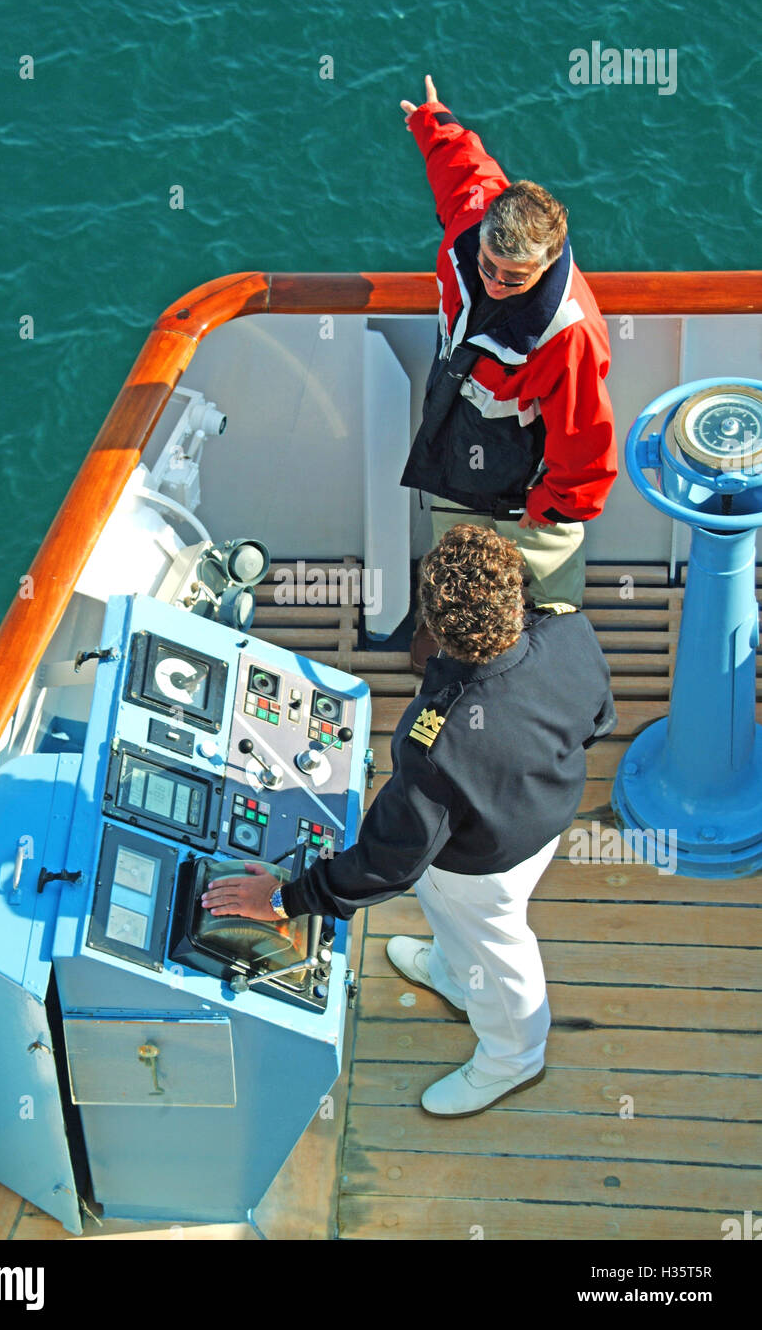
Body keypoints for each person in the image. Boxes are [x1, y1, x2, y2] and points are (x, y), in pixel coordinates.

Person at [202, 525, 617, 1117]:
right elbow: (598, 720)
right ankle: (454, 973)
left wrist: (285, 900)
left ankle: (513, 1059)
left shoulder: (437, 742)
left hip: (482, 866)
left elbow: (391, 862)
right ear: (516, 592)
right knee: (458, 925)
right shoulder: (570, 630)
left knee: (500, 949)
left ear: (437, 626)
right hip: (544, 818)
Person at [399, 76, 618, 672]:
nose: (495, 283)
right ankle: (449, 647)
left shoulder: (569, 333)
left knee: (546, 592)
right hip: (457, 440)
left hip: (525, 476)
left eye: (513, 278)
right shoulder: (475, 219)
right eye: (488, 266)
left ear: (547, 262)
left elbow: (587, 445)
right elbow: (462, 167)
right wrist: (432, 119)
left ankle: (545, 675)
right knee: (452, 561)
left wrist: (549, 506)